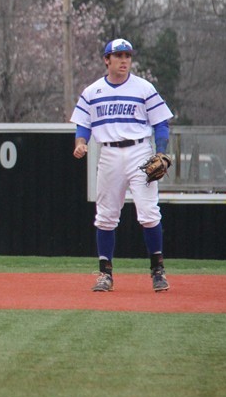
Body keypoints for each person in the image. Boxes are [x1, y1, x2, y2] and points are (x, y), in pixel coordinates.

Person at [71, 38, 174, 293]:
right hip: (109, 153)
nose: (124, 61)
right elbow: (83, 124)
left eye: (127, 56)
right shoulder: (93, 91)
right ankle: (105, 274)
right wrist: (81, 142)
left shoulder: (143, 87)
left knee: (149, 213)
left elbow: (161, 122)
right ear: (107, 60)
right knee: (105, 216)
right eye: (118, 56)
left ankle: (158, 271)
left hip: (140, 151)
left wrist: (160, 152)